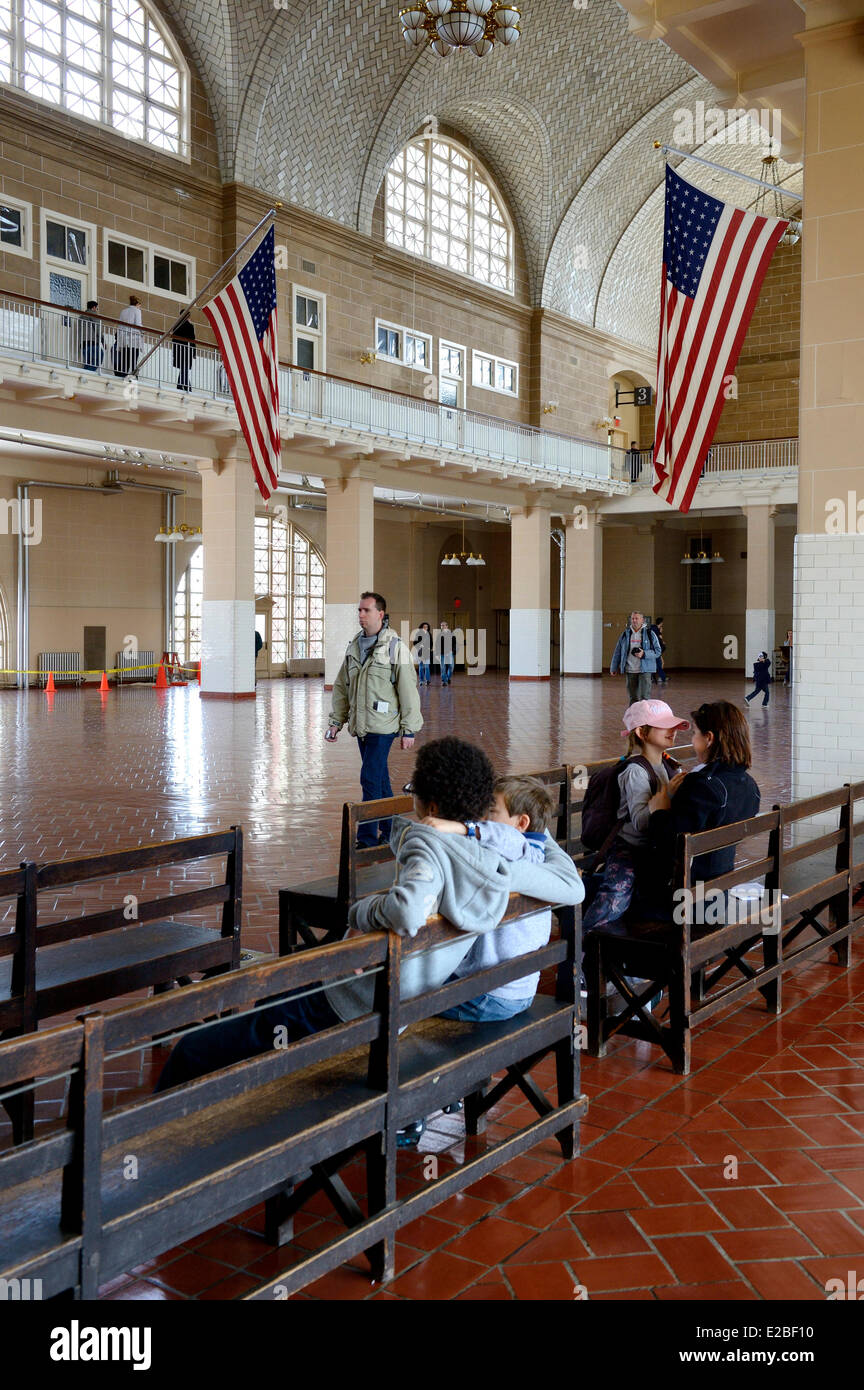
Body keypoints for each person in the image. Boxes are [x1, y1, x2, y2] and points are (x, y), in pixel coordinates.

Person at [155, 739, 585, 1113]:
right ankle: (245, 1093)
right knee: (281, 996)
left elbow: (408, 910)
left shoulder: (431, 844)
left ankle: (158, 1144)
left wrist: (359, 913)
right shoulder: (500, 860)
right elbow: (566, 881)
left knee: (195, 1049)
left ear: (431, 806)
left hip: (363, 1001)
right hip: (396, 996)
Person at [421, 774, 581, 1021]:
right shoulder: (539, 858)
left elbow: (505, 838)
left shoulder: (511, 854)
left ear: (522, 823)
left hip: (488, 995)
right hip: (519, 990)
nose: (482, 819)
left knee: (404, 1004)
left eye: (490, 812)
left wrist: (465, 828)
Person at [582, 699, 689, 932]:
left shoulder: (671, 766)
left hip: (655, 850)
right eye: (664, 726)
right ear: (641, 732)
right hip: (629, 849)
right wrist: (668, 795)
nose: (672, 730)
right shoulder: (635, 772)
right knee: (612, 901)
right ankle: (583, 945)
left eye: (673, 725)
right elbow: (641, 823)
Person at [326, 592, 422, 847]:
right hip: (362, 726)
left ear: (380, 614)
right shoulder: (354, 647)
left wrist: (409, 729)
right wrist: (336, 722)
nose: (361, 615)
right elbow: (342, 686)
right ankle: (392, 832)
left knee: (369, 777)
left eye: (366, 610)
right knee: (379, 779)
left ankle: (367, 839)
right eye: (359, 610)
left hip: (384, 726)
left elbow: (408, 690)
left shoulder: (395, 647)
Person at [647, 700, 761, 906]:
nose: (692, 740)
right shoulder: (750, 786)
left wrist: (658, 810)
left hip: (686, 901)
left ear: (708, 738)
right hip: (719, 893)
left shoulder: (702, 785)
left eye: (695, 733)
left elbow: (671, 842)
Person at [610, 610, 662, 704]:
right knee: (633, 698)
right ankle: (633, 718)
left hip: (645, 670)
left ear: (642, 620)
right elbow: (617, 651)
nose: (634, 620)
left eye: (636, 618)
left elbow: (658, 651)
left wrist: (644, 654)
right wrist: (613, 667)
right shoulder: (625, 634)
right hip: (630, 670)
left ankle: (644, 718)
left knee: (644, 698)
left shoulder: (650, 634)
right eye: (632, 618)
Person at [113, 294, 142, 377]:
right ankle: (134, 377)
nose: (140, 307)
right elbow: (138, 324)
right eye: (140, 305)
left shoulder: (123, 311)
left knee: (125, 361)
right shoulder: (137, 311)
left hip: (124, 340)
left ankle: (123, 376)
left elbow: (120, 326)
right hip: (134, 340)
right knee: (133, 361)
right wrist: (142, 332)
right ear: (137, 304)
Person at [172, 316, 196, 392]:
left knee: (183, 368)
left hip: (179, 350)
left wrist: (174, 351)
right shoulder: (190, 326)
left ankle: (182, 385)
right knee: (184, 368)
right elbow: (192, 340)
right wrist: (194, 352)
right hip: (187, 350)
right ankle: (186, 386)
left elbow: (174, 339)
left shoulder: (176, 325)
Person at [78, 301, 104, 371]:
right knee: (97, 360)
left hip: (83, 344)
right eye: (97, 308)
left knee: (88, 363)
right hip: (92, 342)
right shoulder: (93, 314)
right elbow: (98, 328)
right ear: (94, 307)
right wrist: (103, 340)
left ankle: (85, 373)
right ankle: (87, 374)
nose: (97, 310)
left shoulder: (81, 316)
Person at [436, 620, 455, 685]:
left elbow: (455, 644)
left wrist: (453, 650)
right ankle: (444, 681)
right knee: (443, 667)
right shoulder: (439, 635)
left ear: (447, 626)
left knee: (451, 667)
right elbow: (437, 645)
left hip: (450, 653)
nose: (443, 627)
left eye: (444, 625)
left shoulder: (451, 634)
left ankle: (448, 678)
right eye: (441, 625)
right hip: (442, 653)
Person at [650, 616, 668, 685]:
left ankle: (655, 677)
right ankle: (661, 677)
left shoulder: (652, 628)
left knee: (658, 663)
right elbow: (660, 639)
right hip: (655, 650)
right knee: (659, 663)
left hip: (653, 649)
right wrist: (661, 633)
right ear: (661, 623)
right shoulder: (656, 629)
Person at [414, 621, 432, 686]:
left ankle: (427, 680)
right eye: (424, 627)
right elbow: (414, 643)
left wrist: (430, 648)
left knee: (427, 667)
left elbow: (431, 643)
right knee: (421, 667)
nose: (425, 628)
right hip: (420, 652)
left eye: (426, 627)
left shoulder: (429, 634)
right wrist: (419, 645)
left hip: (426, 652)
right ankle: (421, 680)